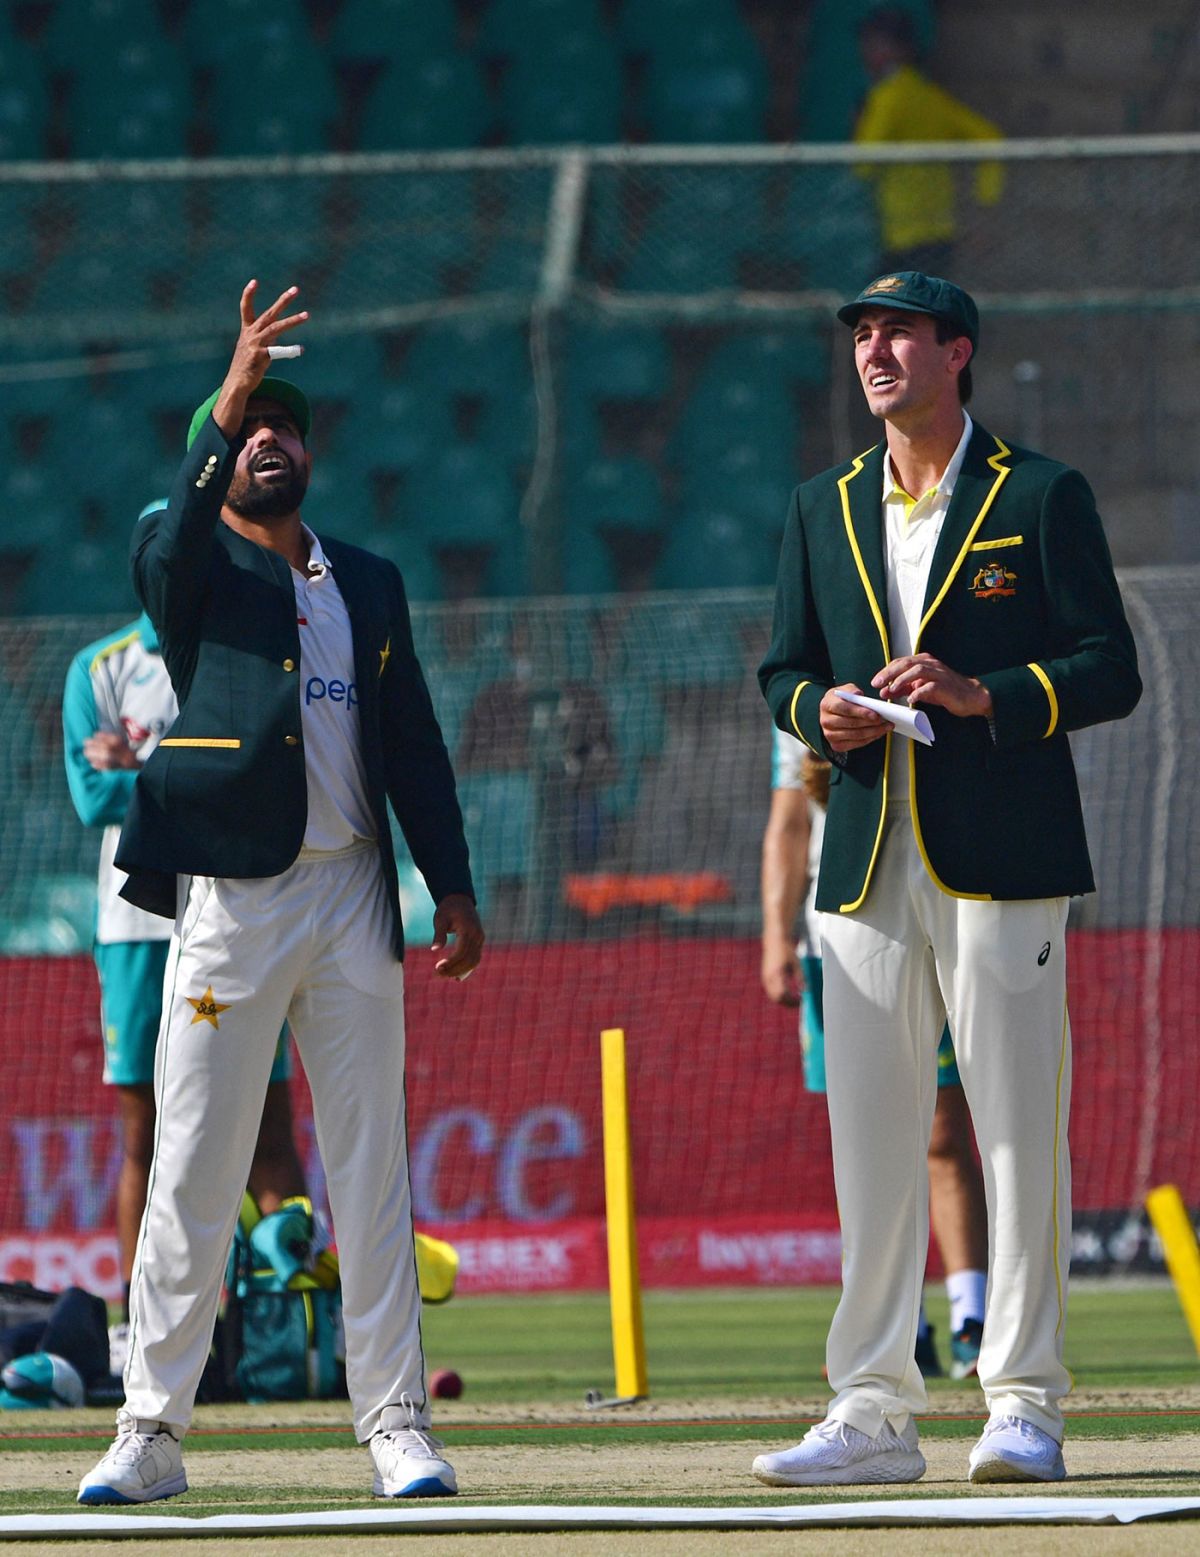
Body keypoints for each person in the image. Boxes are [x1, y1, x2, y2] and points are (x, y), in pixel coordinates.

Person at [78, 281, 484, 1506]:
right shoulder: (194, 567)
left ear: (312, 452)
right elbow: (166, 555)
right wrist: (226, 393)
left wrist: (449, 883)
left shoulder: (366, 578)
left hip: (355, 899)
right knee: (195, 1167)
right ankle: (151, 1430)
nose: (268, 438)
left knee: (368, 1169)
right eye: (251, 423)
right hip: (235, 905)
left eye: (285, 425)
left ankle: (397, 1423)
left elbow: (410, 736)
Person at [753, 270, 1140, 1487]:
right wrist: (817, 711)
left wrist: (992, 697)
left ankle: (1024, 1403)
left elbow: (1109, 668)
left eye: (900, 333)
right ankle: (871, 1412)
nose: (876, 352)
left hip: (1004, 855)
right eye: (863, 335)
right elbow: (782, 672)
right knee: (868, 1139)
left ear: (956, 353)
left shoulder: (1040, 494)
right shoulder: (823, 505)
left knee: (1017, 1127)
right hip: (862, 853)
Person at [63, 597, 308, 1370]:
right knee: (146, 1137)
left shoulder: (242, 655)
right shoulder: (99, 669)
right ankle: (143, 1333)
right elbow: (90, 798)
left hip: (238, 916)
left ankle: (295, 1324)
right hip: (136, 930)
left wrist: (142, 768)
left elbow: (264, 776)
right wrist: (197, 774)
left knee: (271, 1136)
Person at [761, 727, 987, 1380]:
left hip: (932, 922)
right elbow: (788, 824)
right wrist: (776, 936)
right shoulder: (801, 705)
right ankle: (901, 1324)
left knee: (942, 1135)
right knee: (869, 1141)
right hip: (835, 936)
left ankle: (973, 1317)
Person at [854, 7, 1003, 276]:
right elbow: (989, 138)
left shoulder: (887, 98)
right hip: (938, 232)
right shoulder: (932, 98)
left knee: (885, 309)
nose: (868, 53)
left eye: (877, 45)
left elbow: (863, 164)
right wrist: (986, 200)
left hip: (901, 234)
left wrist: (861, 125)